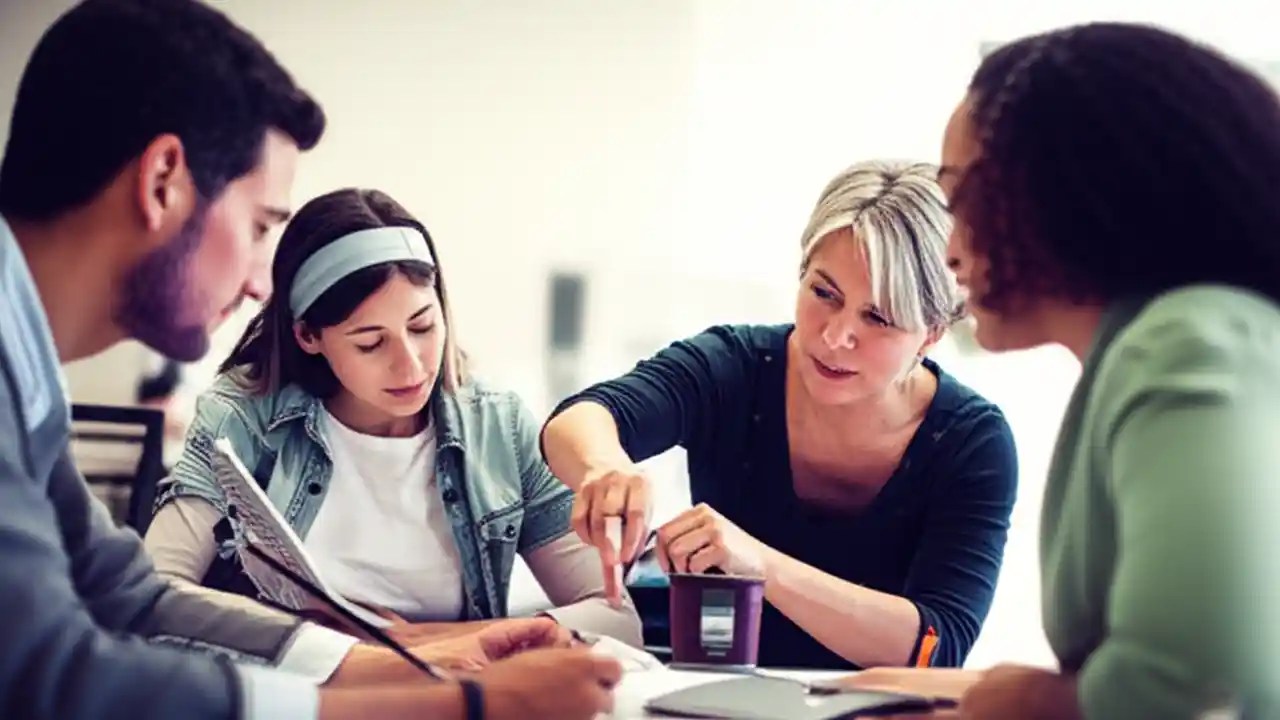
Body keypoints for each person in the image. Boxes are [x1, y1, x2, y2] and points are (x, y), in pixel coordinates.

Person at [0, 2, 618, 719]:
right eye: (261, 225)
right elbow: (47, 678)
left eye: (422, 325)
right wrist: (456, 707)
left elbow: (132, 596)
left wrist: (386, 658)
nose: (263, 282)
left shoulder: (26, 381)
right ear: (162, 180)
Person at [855, 22, 1280, 720]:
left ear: (1067, 191)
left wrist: (1034, 700)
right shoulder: (1170, 345)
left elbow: (1197, 685)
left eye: (961, 201)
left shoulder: (1185, 342)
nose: (950, 252)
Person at [541, 160, 1019, 669]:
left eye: (877, 317)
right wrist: (606, 469)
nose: (836, 336)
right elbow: (581, 418)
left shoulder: (973, 443)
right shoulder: (734, 367)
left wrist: (758, 564)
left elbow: (936, 646)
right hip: (708, 694)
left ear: (931, 334)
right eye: (823, 293)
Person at [144, 187, 642, 647]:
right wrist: (313, 644)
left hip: (451, 698)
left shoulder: (500, 427)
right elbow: (153, 589)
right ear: (308, 337)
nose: (410, 364)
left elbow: (618, 618)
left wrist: (430, 642)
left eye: (423, 326)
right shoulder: (244, 416)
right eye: (371, 342)